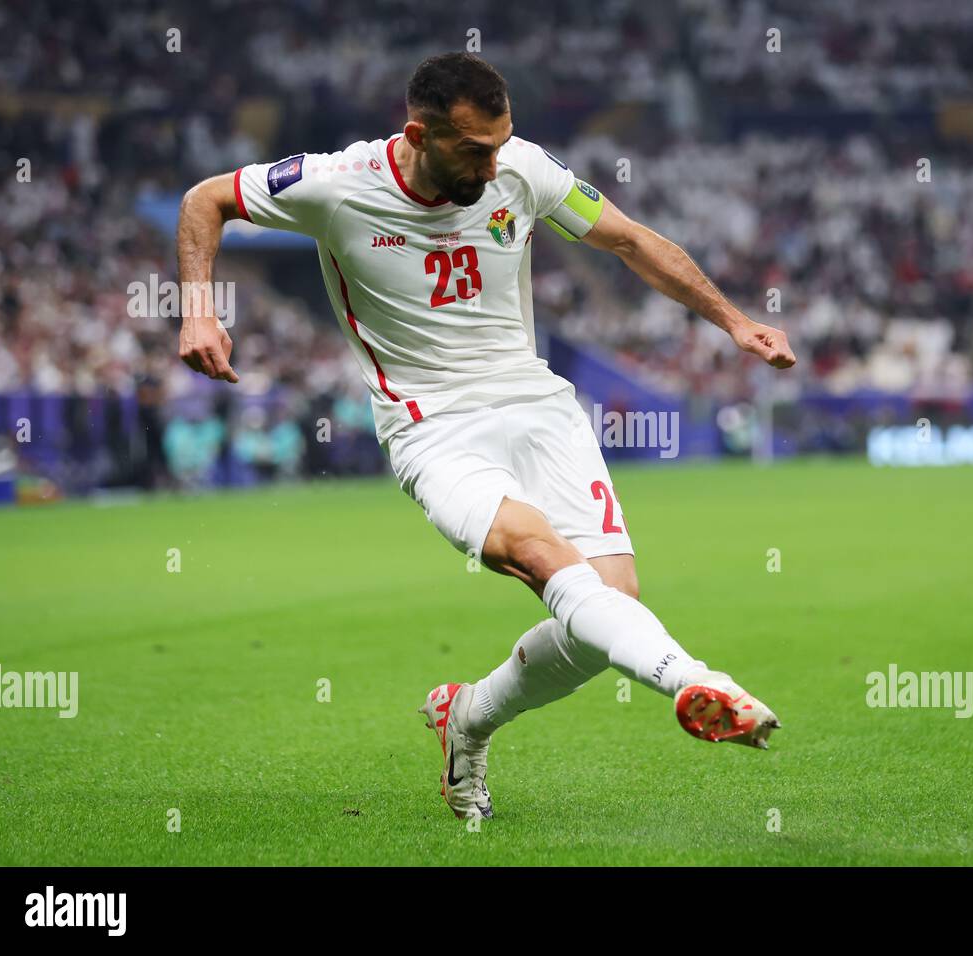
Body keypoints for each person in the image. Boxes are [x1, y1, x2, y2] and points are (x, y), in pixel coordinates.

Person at [176, 52, 794, 819]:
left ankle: (468, 717)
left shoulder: (520, 170)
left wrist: (735, 320)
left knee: (611, 602)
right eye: (474, 150)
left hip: (538, 408)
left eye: (501, 144)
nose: (493, 163)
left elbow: (630, 240)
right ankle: (697, 680)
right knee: (540, 555)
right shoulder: (336, 185)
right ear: (420, 134)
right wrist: (199, 309)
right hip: (432, 426)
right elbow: (206, 199)